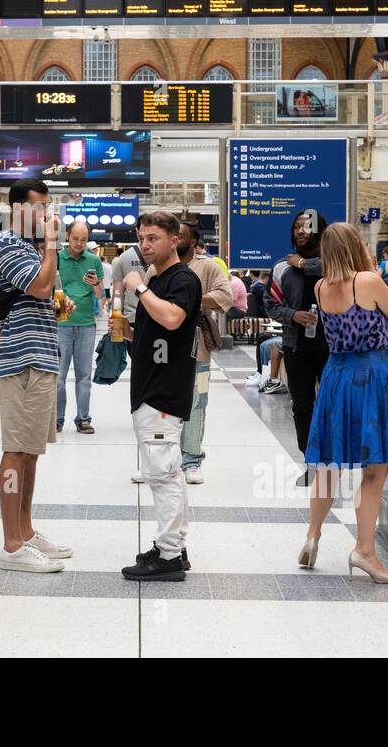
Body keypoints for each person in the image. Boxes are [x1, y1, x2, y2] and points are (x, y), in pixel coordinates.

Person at [299, 222, 388, 584]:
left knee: (329, 464)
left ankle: (312, 537)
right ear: (356, 246)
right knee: (374, 469)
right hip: (371, 374)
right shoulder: (365, 281)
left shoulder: (319, 286)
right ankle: (365, 551)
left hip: (336, 376)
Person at [0, 178, 73, 573]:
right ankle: (11, 544)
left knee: (31, 451)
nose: (47, 214)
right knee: (16, 450)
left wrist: (56, 302)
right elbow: (38, 286)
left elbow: (39, 295)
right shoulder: (6, 244)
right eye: (40, 207)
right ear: (18, 208)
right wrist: (53, 246)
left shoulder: (29, 248)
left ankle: (25, 530)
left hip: (41, 355)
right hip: (21, 359)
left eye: (49, 206)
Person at [122, 212, 202, 581]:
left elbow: (173, 319)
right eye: (142, 238)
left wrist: (139, 287)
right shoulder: (161, 278)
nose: (145, 244)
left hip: (163, 393)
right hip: (152, 389)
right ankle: (172, 545)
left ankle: (169, 556)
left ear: (175, 240)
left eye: (153, 237)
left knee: (164, 473)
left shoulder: (181, 278)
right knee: (162, 472)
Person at [263, 209, 329, 486]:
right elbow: (270, 304)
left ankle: (332, 462)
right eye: (296, 227)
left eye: (307, 227)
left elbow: (344, 276)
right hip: (296, 346)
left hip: (332, 347)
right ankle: (311, 461)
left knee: (332, 405)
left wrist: (304, 264)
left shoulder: (333, 264)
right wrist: (293, 315)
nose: (301, 231)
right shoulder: (282, 268)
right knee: (302, 405)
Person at [173, 221, 231, 484]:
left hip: (199, 350)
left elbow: (224, 297)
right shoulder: (159, 266)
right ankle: (164, 459)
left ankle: (192, 460)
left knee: (197, 404)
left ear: (194, 241)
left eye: (182, 234)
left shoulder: (207, 266)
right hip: (165, 347)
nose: (177, 238)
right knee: (162, 405)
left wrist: (192, 298)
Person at [56, 220, 103, 434]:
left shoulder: (94, 260)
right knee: (58, 376)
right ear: (67, 236)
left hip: (86, 323)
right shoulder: (57, 258)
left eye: (83, 239)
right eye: (75, 238)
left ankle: (83, 418)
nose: (79, 243)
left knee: (84, 375)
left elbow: (100, 294)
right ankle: (57, 419)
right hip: (61, 322)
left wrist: (95, 284)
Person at [110, 243, 147, 339]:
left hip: (131, 317)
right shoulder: (164, 255)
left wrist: (116, 327)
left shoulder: (123, 257)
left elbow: (118, 293)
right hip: (157, 317)